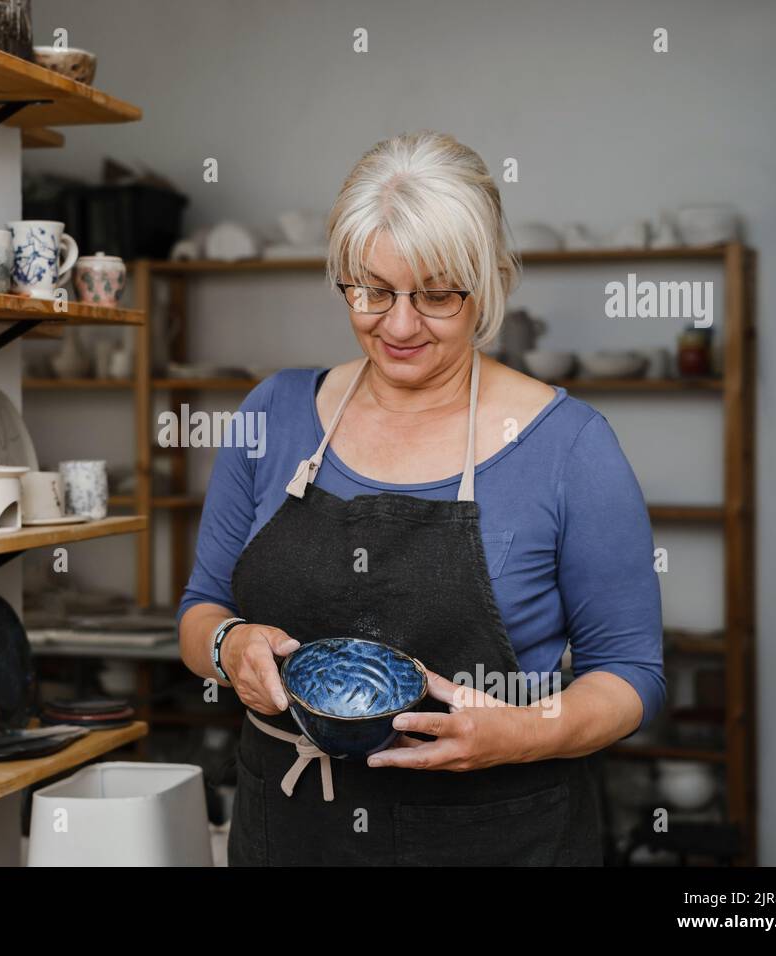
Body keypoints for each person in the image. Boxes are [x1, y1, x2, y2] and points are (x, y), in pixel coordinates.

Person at [177, 131, 665, 866]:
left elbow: (631, 675)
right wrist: (228, 647)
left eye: (437, 294)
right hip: (291, 832)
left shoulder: (570, 446)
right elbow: (201, 610)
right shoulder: (272, 415)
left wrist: (522, 732)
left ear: (489, 283)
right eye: (371, 291)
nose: (400, 326)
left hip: (498, 836)